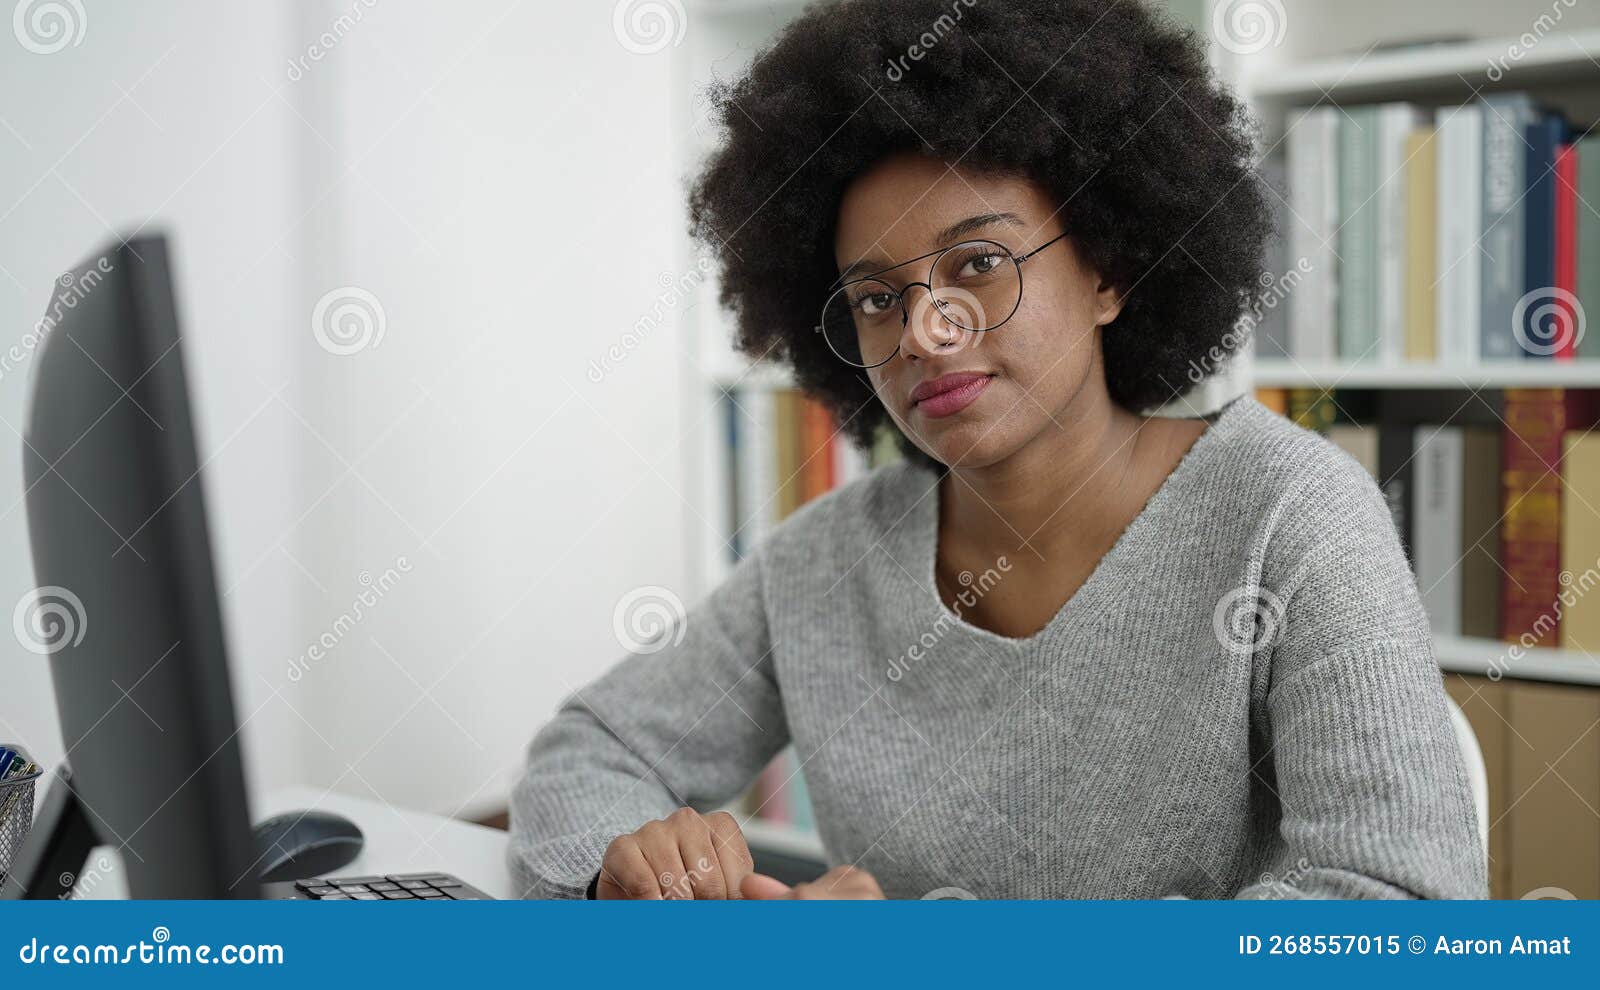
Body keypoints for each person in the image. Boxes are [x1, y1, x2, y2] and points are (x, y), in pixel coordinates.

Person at [507, 0, 1485, 900]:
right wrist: (627, 875)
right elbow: (587, 751)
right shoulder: (823, 566)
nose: (924, 329)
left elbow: (1398, 903)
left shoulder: (1287, 516)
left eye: (977, 265)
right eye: (876, 296)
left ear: (1107, 269)